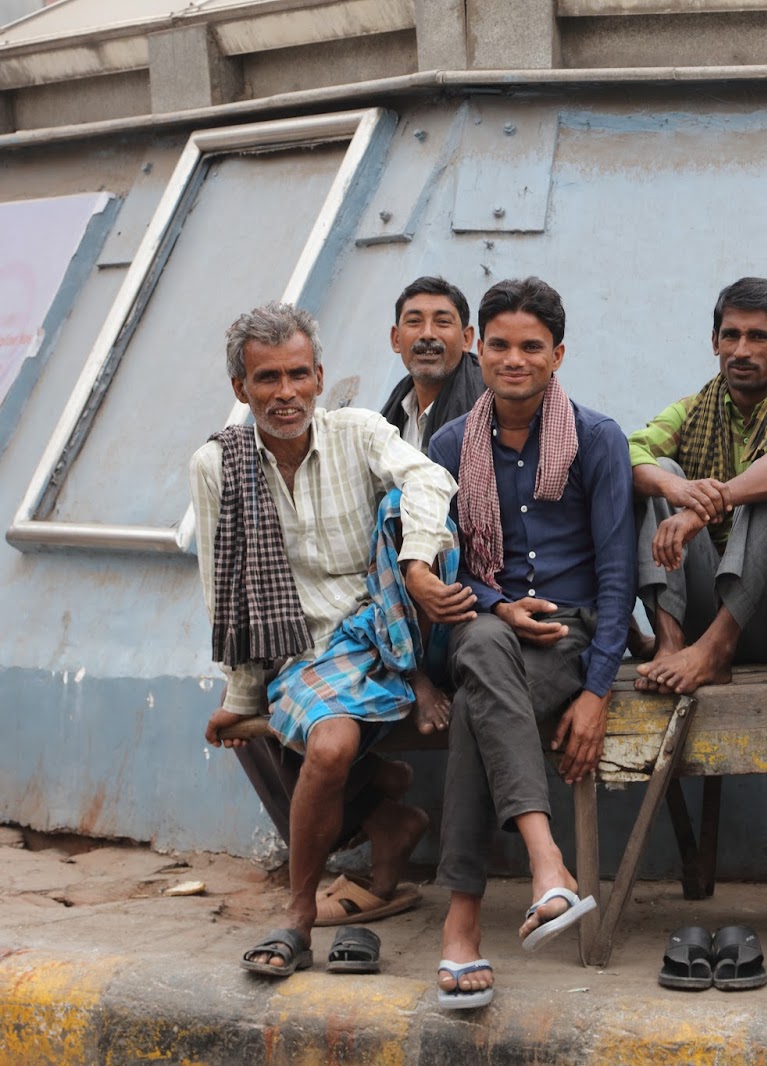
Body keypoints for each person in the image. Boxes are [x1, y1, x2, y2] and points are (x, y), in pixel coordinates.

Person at [190, 301, 473, 976]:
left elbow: (430, 477)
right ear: (242, 389)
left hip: (393, 615)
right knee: (328, 744)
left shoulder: (358, 431)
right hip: (305, 647)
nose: (284, 395)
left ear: (318, 377)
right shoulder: (216, 467)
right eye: (267, 380)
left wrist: (416, 563)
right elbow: (222, 588)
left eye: (297, 376)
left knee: (405, 506)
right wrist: (241, 693)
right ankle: (302, 912)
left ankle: (367, 824)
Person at [426, 277, 634, 1009]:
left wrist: (599, 690)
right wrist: (498, 604)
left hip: (566, 641)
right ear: (479, 351)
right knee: (482, 646)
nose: (514, 360)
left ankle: (463, 926)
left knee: (481, 700)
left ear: (557, 355)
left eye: (531, 347)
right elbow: (442, 559)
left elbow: (618, 574)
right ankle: (549, 866)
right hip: (484, 624)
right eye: (501, 345)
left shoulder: (598, 439)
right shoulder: (449, 445)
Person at [629, 277, 767, 694]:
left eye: (758, 337)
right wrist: (674, 489)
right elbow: (628, 454)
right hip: (701, 603)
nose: (741, 350)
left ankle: (718, 649)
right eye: (731, 335)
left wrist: (704, 507)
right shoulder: (693, 409)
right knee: (658, 471)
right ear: (715, 341)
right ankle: (670, 639)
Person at [380, 275, 486, 450]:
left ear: (467, 339)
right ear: (396, 339)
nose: (427, 334)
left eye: (442, 322)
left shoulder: (490, 407)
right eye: (414, 321)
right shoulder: (393, 413)